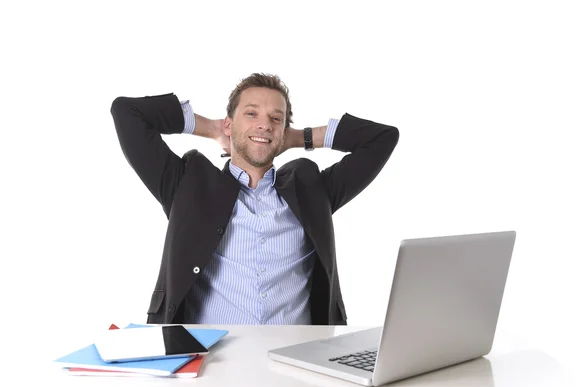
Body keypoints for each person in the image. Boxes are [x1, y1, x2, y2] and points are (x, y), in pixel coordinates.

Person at [110, 73, 399, 325]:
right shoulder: (186, 184)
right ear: (229, 124)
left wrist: (300, 138)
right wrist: (211, 128)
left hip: (295, 362)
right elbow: (127, 112)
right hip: (211, 363)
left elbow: (382, 138)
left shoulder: (312, 191)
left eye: (276, 118)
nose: (265, 125)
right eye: (251, 114)